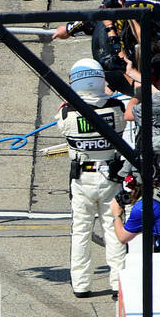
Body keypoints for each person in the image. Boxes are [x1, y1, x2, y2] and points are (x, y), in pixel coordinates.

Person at [58, 58, 129, 297]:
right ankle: (118, 282)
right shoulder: (117, 107)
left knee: (80, 231)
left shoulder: (66, 113)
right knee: (113, 228)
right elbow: (116, 114)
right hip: (111, 177)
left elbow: (64, 115)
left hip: (82, 178)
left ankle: (81, 285)